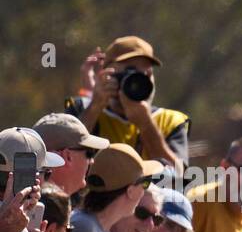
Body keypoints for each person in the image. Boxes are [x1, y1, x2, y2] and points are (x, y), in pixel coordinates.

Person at [69, 36, 189, 171]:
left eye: (146, 73)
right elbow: (65, 159)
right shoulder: (81, 108)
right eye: (128, 72)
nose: (137, 80)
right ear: (106, 73)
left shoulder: (171, 120)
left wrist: (146, 125)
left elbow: (180, 177)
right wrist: (95, 107)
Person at [33, 113, 108, 197]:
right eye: (89, 153)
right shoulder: (33, 207)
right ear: (67, 156)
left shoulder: (23, 204)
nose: (92, 161)